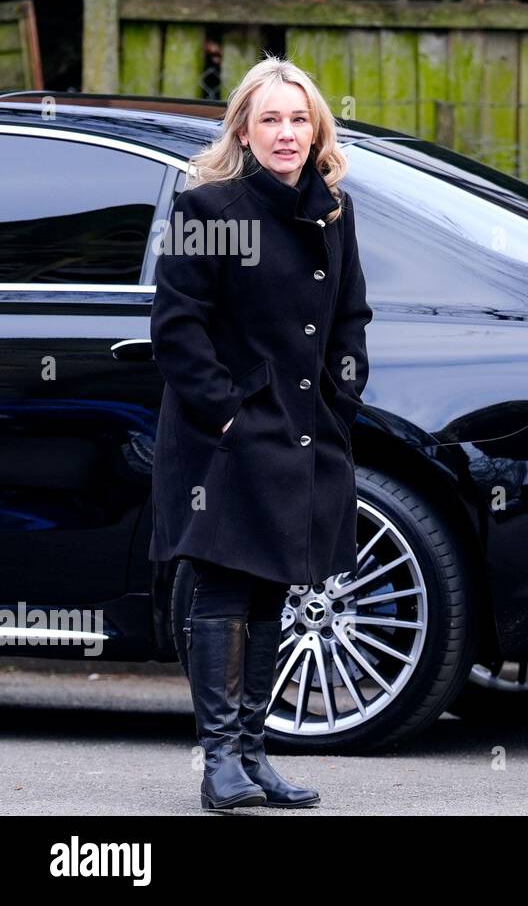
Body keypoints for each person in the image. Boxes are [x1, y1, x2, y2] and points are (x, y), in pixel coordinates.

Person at [149, 56, 372, 809]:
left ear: (317, 131)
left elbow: (350, 319)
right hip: (227, 437)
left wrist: (341, 396)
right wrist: (230, 416)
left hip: (305, 433)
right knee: (222, 586)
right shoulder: (210, 211)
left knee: (274, 591)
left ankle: (254, 753)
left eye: (299, 118)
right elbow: (177, 331)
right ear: (243, 129)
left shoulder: (333, 211)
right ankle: (220, 764)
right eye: (270, 118)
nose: (286, 132)